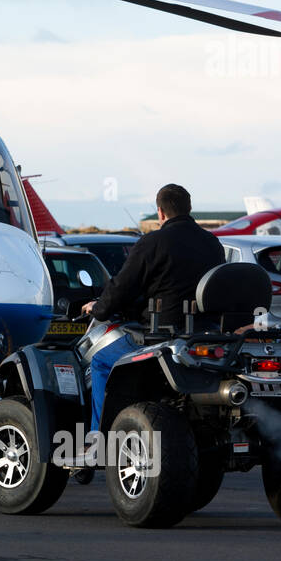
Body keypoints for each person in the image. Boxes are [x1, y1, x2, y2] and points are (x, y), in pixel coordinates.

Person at [80, 184, 224, 433]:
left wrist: (99, 308)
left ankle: (97, 437)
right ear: (189, 208)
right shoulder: (212, 243)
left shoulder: (153, 242)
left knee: (101, 362)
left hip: (162, 333)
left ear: (160, 212)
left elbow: (122, 286)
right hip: (206, 333)